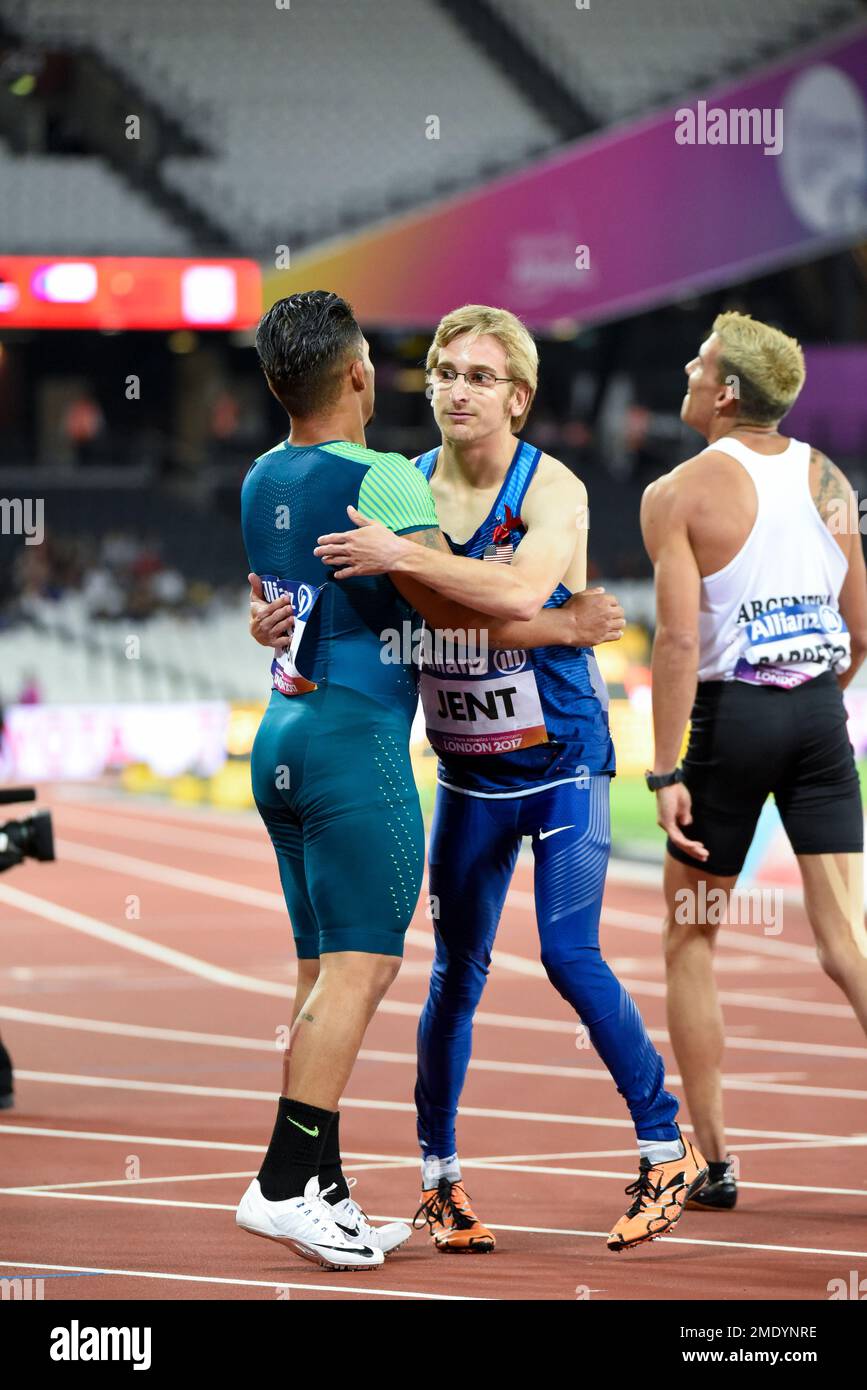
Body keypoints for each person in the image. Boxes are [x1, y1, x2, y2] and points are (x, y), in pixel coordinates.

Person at [238, 291, 623, 1269]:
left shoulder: (258, 477)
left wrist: (279, 619)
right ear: (359, 374)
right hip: (354, 746)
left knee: (320, 974)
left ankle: (321, 1182)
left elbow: (291, 606)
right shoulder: (384, 479)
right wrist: (565, 623)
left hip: (280, 733)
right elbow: (464, 618)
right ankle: (284, 1182)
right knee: (364, 969)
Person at [311, 305, 707, 1252]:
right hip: (465, 776)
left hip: (564, 760)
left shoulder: (552, 487)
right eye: (443, 371)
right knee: (454, 975)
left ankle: (665, 1150)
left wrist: (411, 563)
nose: (452, 388)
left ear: (518, 398)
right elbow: (388, 617)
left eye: (478, 377)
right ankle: (439, 1185)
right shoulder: (397, 484)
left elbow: (520, 592)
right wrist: (281, 622)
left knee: (569, 955)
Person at [640, 310, 867, 1210]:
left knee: (689, 937)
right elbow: (861, 626)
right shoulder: (827, 477)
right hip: (816, 721)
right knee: (847, 941)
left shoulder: (678, 493)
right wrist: (815, 689)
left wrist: (664, 775)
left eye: (698, 364)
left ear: (726, 391)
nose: (686, 374)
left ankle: (718, 1161)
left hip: (730, 728)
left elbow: (674, 643)